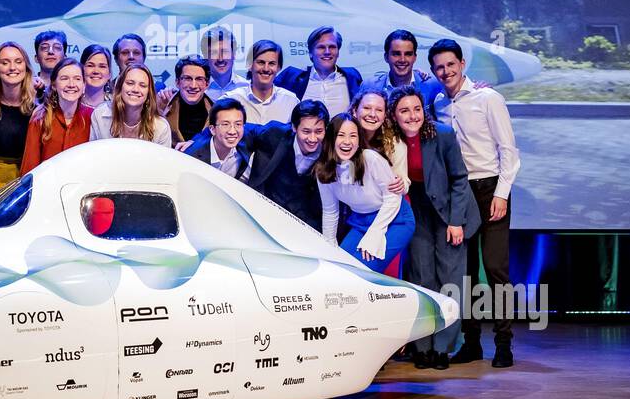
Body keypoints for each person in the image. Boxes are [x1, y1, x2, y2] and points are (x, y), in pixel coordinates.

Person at [428, 38, 521, 369]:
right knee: (464, 273)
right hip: (459, 194)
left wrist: (502, 193)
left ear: (462, 64)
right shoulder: (436, 103)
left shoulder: (488, 97)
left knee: (495, 268)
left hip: (489, 189)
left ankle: (504, 344)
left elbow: (508, 150)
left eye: (451, 64)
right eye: (439, 66)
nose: (445, 71)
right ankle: (471, 342)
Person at [389, 86, 479, 370]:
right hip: (415, 213)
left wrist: (456, 221)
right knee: (421, 277)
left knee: (449, 280)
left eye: (416, 109)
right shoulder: (390, 140)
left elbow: (459, 179)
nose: (412, 115)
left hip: (448, 213)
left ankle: (443, 348)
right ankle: (423, 347)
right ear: (394, 115)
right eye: (404, 110)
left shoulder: (442, 134)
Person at [191, 100, 329, 230]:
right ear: (294, 127)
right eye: (306, 131)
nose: (312, 138)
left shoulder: (329, 151)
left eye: (318, 132)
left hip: (305, 220)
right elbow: (238, 130)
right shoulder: (276, 134)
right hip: (265, 211)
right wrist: (196, 141)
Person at [313, 114, 416, 278]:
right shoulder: (324, 170)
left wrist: (376, 232)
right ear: (331, 138)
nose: (347, 141)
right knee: (337, 269)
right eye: (341, 135)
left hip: (395, 219)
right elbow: (331, 212)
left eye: (353, 136)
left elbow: (392, 198)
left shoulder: (371, 159)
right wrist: (329, 248)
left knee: (360, 273)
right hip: (361, 221)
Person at [0, 41, 36, 189]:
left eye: (18, 62)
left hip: (22, 183)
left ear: (26, 67)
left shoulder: (36, 109)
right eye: (5, 62)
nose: (12, 68)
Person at [20, 57, 91, 173]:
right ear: (54, 85)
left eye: (77, 79)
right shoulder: (40, 117)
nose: (71, 84)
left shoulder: (92, 117)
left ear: (84, 85)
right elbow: (29, 167)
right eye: (64, 79)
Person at [274, 26, 363, 116]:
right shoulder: (291, 77)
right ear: (310, 53)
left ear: (338, 52)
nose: (327, 52)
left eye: (332, 47)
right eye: (321, 47)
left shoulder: (352, 77)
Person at [90, 64, 172, 146]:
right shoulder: (100, 115)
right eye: (130, 83)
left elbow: (163, 159)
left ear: (148, 93)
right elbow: (94, 154)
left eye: (142, 85)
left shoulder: (161, 127)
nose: (136, 89)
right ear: (120, 88)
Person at [374, 28, 444, 113]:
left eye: (408, 54)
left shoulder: (432, 85)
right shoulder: (370, 86)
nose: (402, 60)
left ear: (414, 57)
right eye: (396, 54)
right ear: (386, 57)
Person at [229, 40, 298, 124]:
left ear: (279, 68)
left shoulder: (291, 101)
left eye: (271, 63)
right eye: (261, 62)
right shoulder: (232, 99)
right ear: (249, 65)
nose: (266, 69)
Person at [184, 98, 254, 180]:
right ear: (212, 129)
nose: (232, 131)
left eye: (238, 124)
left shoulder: (246, 143)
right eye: (225, 124)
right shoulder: (192, 158)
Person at [163, 55, 214, 146]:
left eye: (199, 79)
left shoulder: (216, 112)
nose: (193, 86)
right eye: (187, 78)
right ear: (177, 82)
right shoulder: (162, 106)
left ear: (207, 84)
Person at [201, 25, 250, 98]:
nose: (220, 59)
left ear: (234, 54)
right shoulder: (197, 90)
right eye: (214, 53)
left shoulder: (247, 88)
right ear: (205, 57)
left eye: (225, 52)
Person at [79, 44, 113, 112]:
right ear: (81, 70)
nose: (96, 71)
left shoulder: (117, 106)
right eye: (90, 65)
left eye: (102, 66)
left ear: (109, 74)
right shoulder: (72, 103)